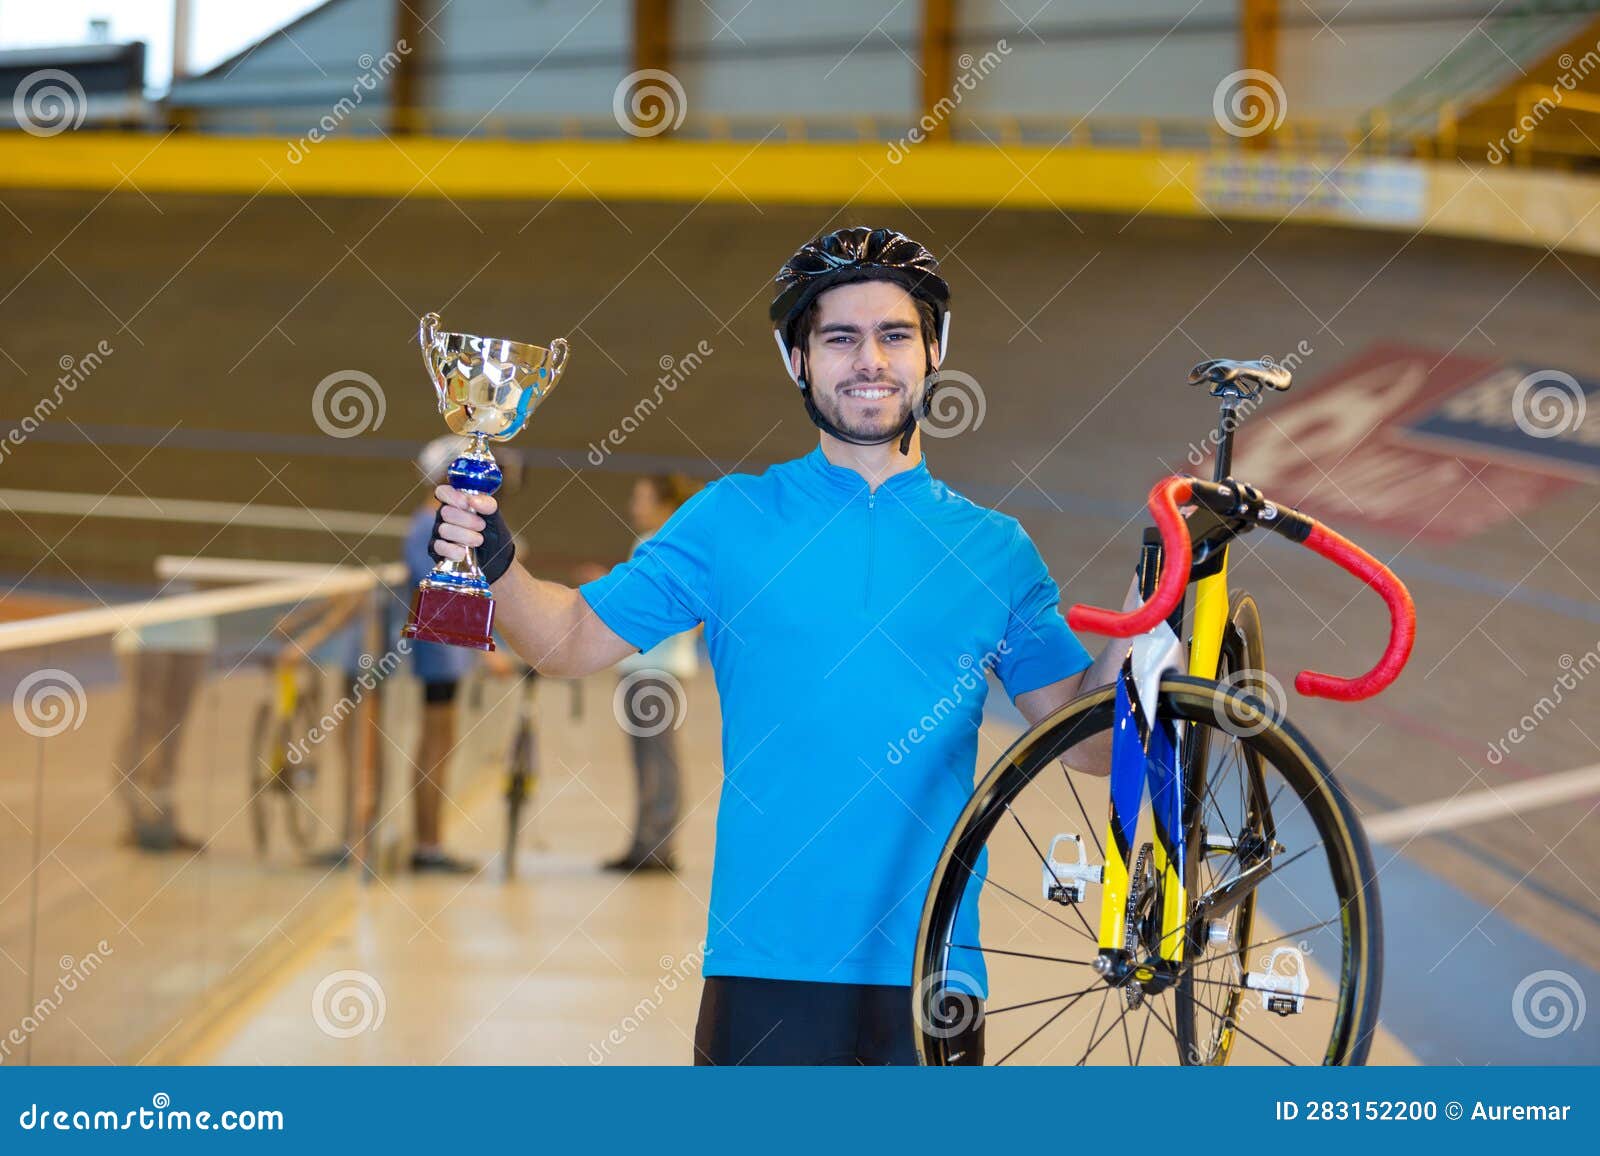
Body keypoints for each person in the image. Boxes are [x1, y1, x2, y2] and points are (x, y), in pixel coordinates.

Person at [428, 226, 1121, 1065]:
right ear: (798, 360)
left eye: (895, 335)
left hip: (934, 969)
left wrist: (1155, 606)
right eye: (840, 338)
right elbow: (568, 641)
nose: (870, 360)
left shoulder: (996, 550)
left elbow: (1088, 746)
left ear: (935, 350)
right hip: (763, 966)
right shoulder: (732, 518)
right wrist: (493, 560)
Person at [601, 474, 702, 874]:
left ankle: (657, 846)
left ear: (664, 505)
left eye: (642, 498)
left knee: (658, 758)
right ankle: (646, 843)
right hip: (646, 669)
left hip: (656, 671)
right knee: (647, 758)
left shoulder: (664, 546)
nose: (634, 505)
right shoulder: (662, 545)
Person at [402, 436, 493, 875]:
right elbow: (437, 588)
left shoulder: (437, 522)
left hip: (448, 649)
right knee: (434, 745)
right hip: (439, 649)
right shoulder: (426, 525)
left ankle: (431, 840)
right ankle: (427, 844)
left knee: (441, 745)